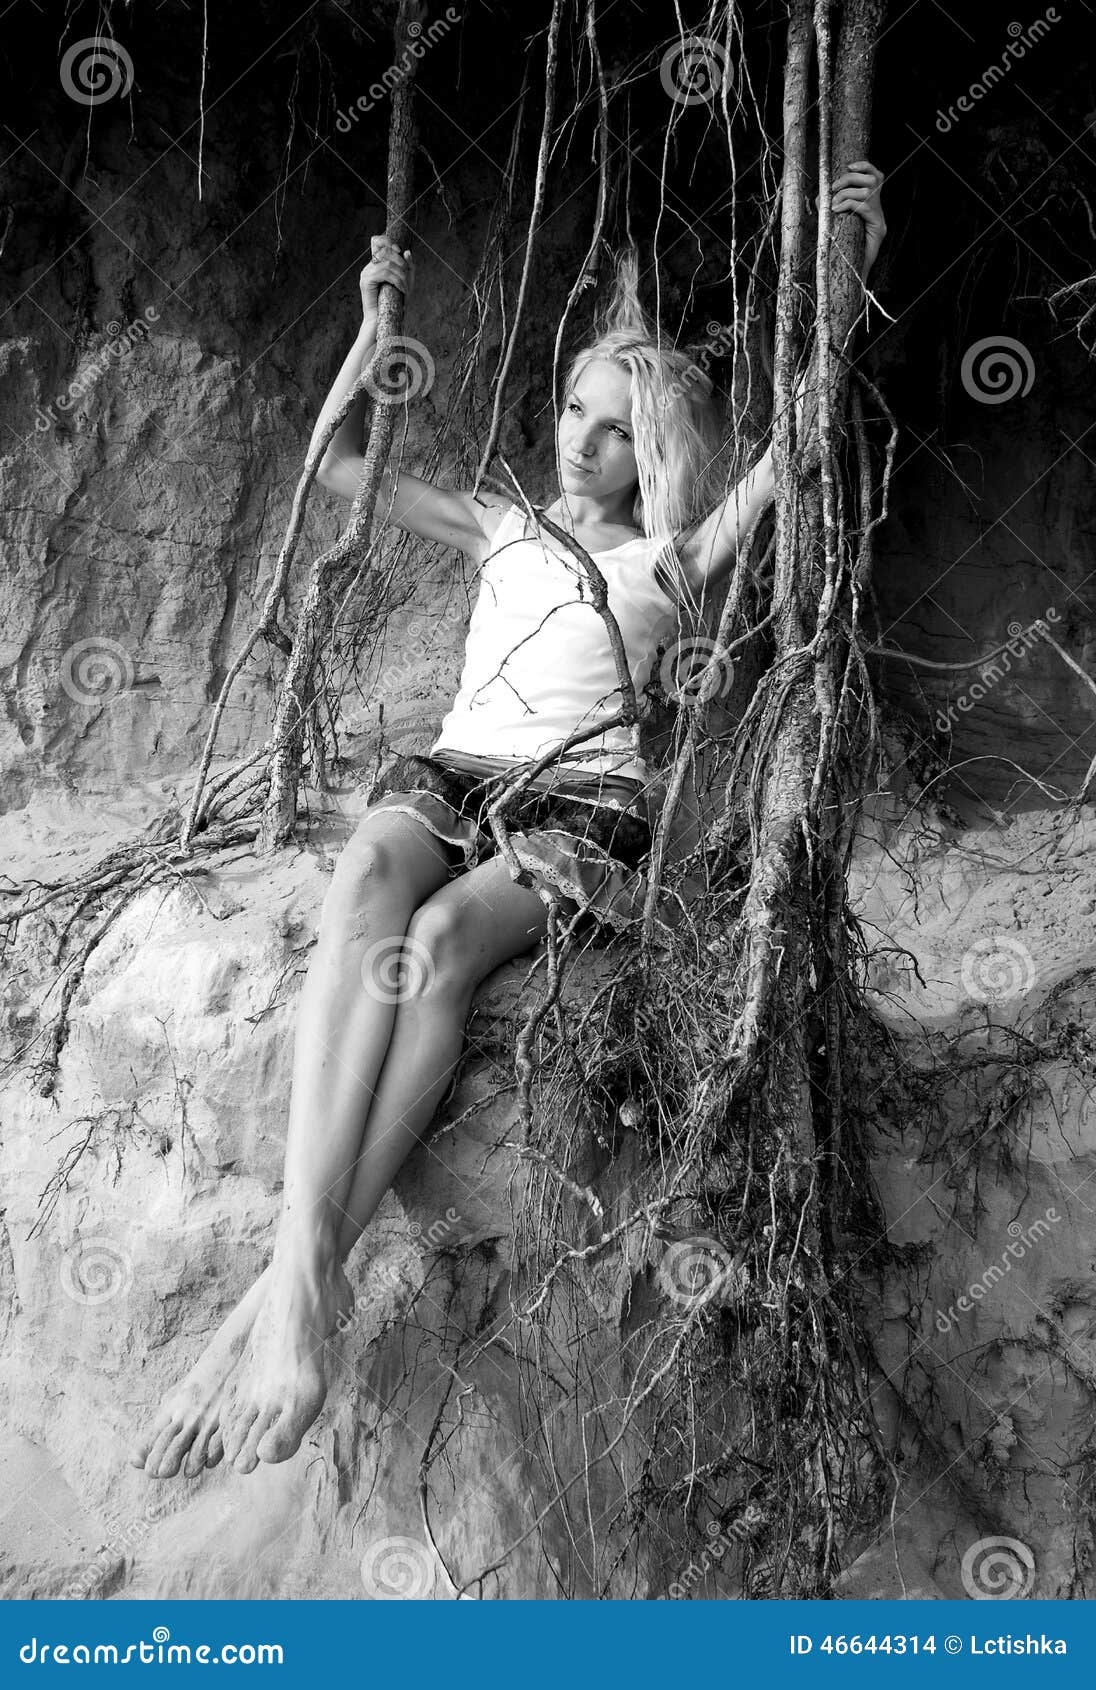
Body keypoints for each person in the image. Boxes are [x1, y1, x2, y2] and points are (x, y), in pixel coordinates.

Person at [129, 161, 886, 1480]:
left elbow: (802, 430)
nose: (582, 442)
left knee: (435, 946)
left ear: (653, 457)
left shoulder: (674, 558)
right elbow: (335, 469)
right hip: (461, 771)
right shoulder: (499, 524)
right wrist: (369, 334)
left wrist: (852, 261)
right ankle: (301, 1281)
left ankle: (284, 1296)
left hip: (584, 798)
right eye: (576, 411)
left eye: (616, 432)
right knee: (369, 874)